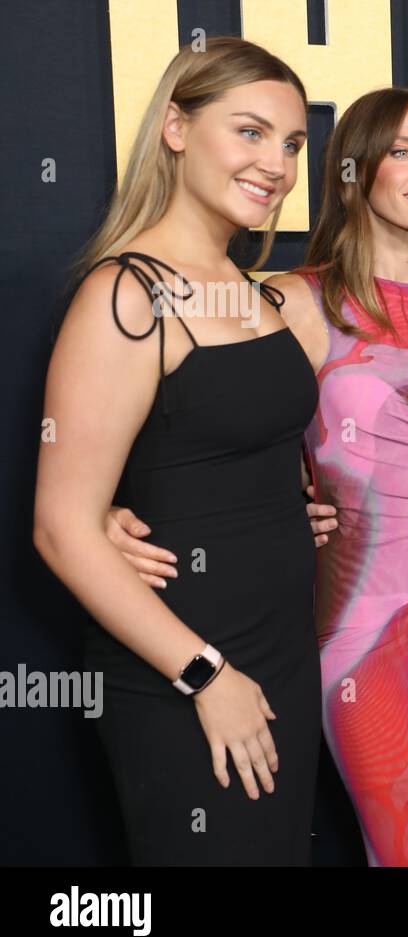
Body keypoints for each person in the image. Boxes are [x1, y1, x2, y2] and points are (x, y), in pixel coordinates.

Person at [112, 88, 408, 866]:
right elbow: (204, 425)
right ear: (354, 170)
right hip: (364, 617)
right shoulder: (295, 301)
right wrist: (104, 513)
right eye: (403, 151)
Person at [34, 38, 319, 865]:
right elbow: (61, 528)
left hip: (282, 662)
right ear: (176, 129)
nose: (278, 163)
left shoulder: (267, 298)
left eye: (294, 144)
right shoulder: (126, 295)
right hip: (185, 673)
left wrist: (300, 511)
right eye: (252, 132)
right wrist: (204, 675)